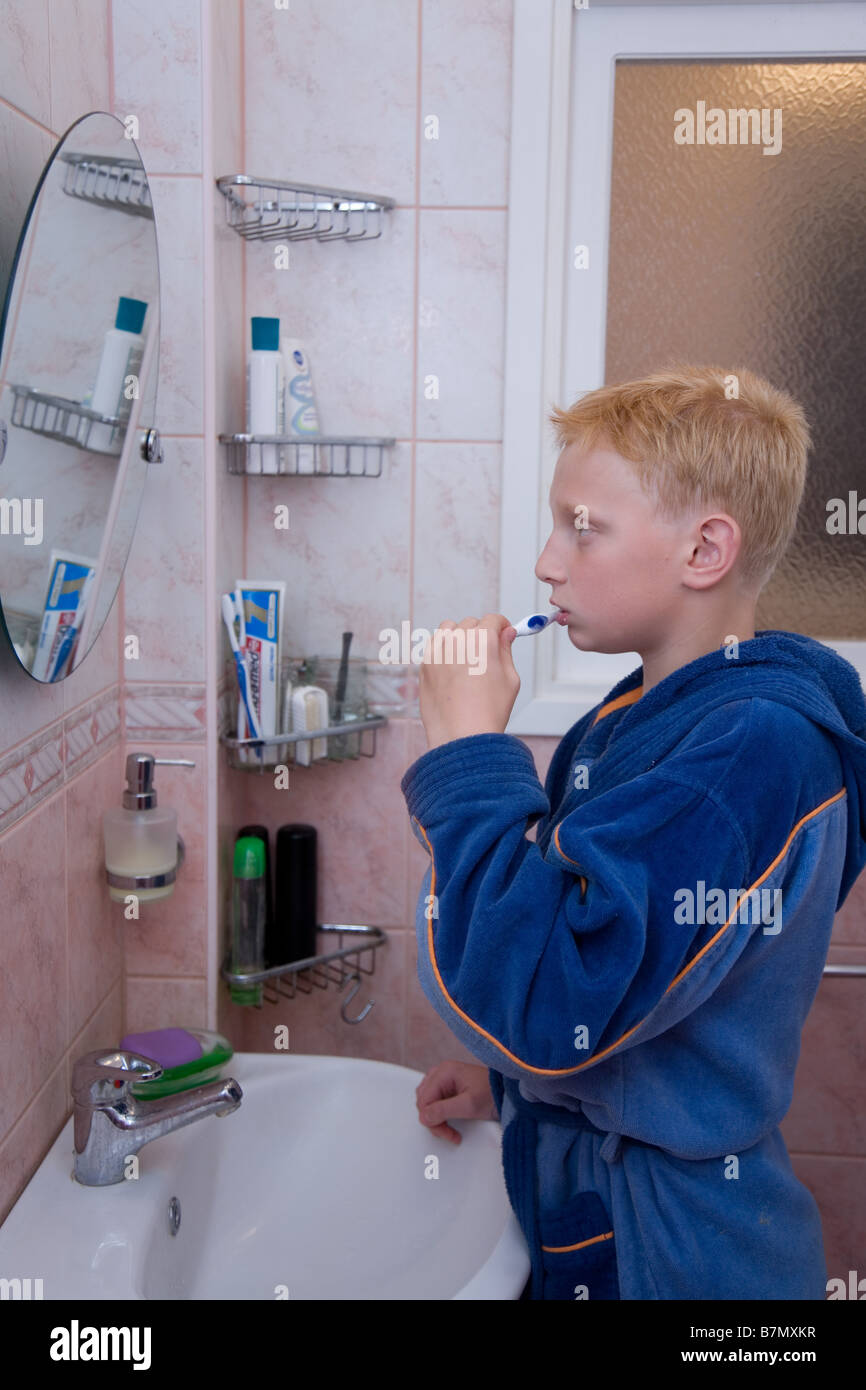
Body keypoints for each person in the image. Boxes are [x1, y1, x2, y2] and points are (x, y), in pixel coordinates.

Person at [400, 363, 866, 1300]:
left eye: (584, 527)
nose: (547, 561)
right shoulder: (643, 714)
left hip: (679, 1255)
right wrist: (517, 1089)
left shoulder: (749, 750)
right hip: (604, 1200)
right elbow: (632, 967)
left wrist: (467, 753)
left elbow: (552, 996)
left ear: (704, 552)